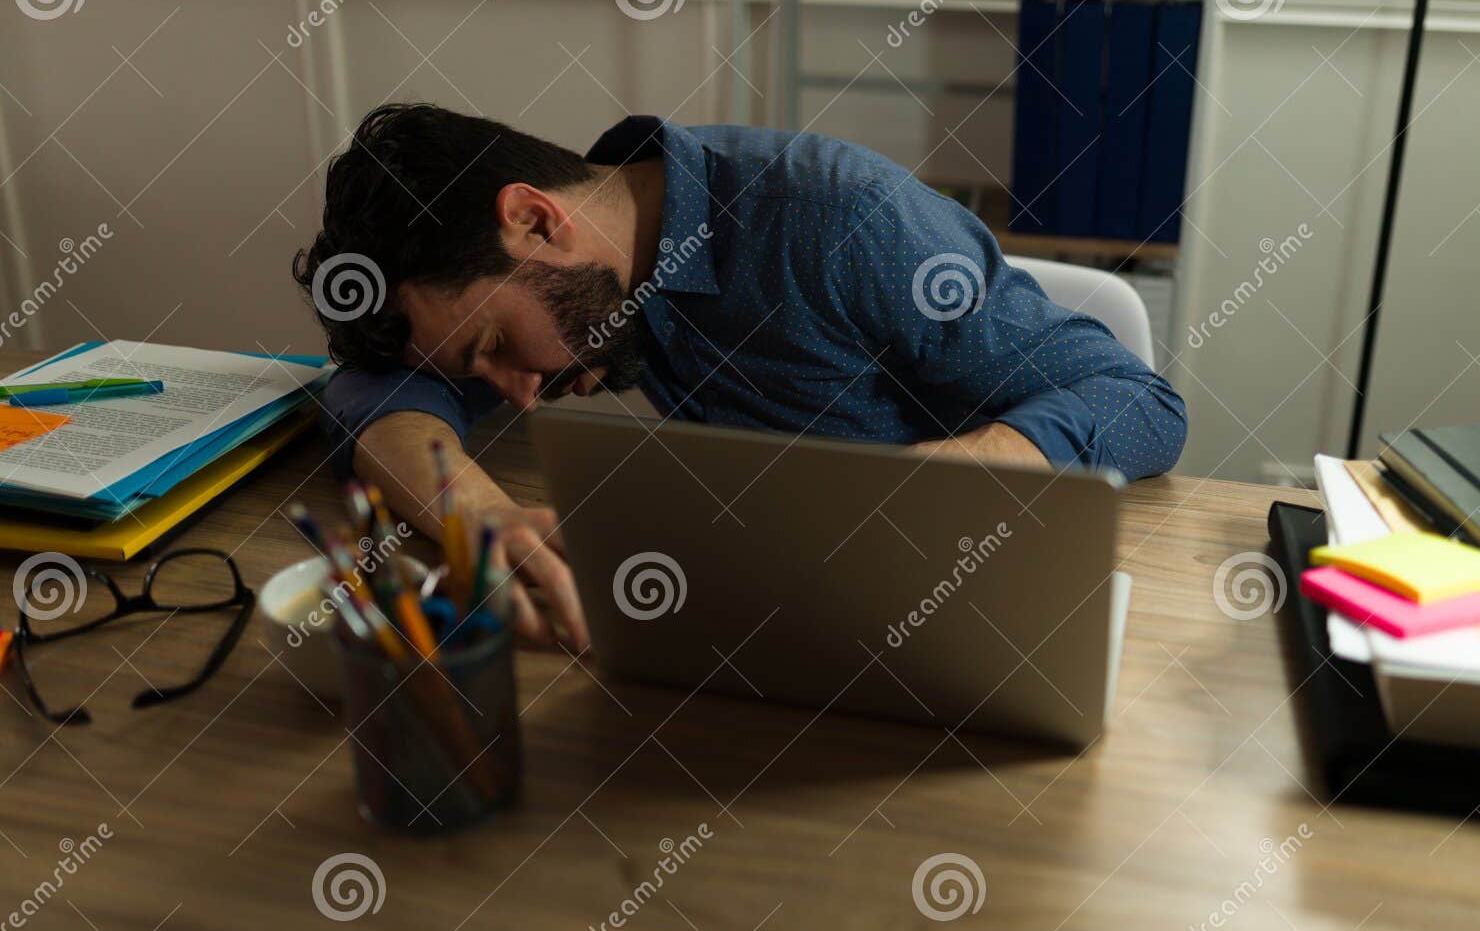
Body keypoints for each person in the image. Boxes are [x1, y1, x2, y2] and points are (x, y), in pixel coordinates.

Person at [292, 104, 1187, 648]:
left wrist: (956, 471)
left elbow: (1139, 400)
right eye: (479, 365)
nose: (514, 392)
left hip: (980, 615)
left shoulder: (842, 220)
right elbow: (368, 393)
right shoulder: (576, 284)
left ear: (533, 219)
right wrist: (480, 517)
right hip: (791, 631)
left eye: (492, 344)